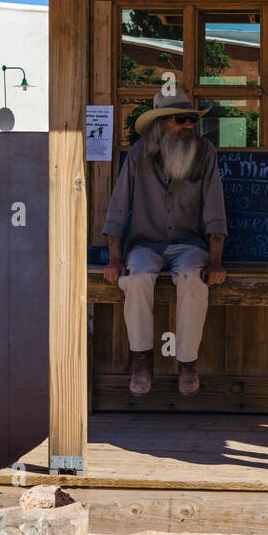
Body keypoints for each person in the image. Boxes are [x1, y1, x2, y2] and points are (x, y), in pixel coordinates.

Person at [101, 88, 228, 397]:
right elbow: (118, 206)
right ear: (161, 124)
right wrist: (115, 257)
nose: (188, 126)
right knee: (138, 278)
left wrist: (215, 260)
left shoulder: (204, 152)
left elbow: (214, 206)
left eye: (191, 120)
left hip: (189, 244)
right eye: (180, 120)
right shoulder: (138, 154)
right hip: (146, 244)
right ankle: (141, 361)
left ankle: (187, 363)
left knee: (192, 281)